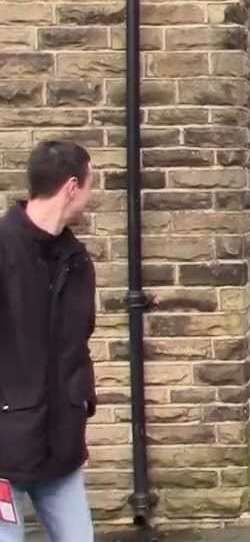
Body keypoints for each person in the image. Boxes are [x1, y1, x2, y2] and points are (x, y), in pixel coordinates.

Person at [0, 141, 98, 541]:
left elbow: (78, 343)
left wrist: (82, 395)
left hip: (61, 447)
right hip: (5, 450)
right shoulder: (3, 249)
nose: (92, 196)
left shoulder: (77, 262)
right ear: (72, 186)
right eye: (91, 184)